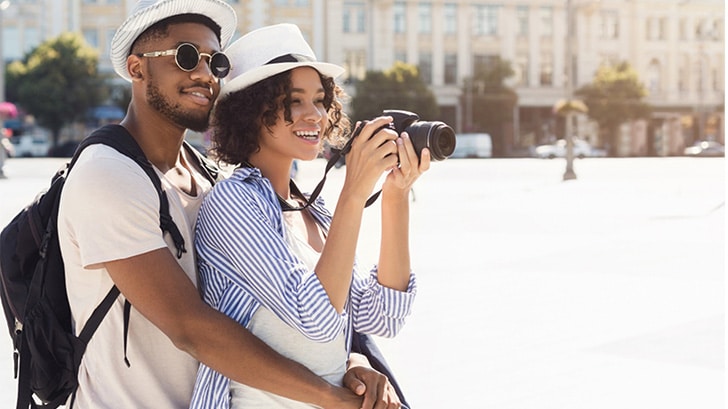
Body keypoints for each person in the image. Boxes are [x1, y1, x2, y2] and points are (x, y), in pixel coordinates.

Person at [57, 1, 397, 408]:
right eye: (185, 57)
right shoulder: (109, 174)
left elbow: (273, 313)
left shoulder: (206, 176)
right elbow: (191, 328)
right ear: (137, 68)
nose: (203, 74)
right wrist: (332, 397)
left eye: (215, 62)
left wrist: (349, 359)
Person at [191, 23, 430, 408]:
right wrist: (353, 191)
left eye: (320, 100)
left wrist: (395, 195)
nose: (314, 115)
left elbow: (382, 316)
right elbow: (316, 318)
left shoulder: (309, 208)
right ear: (251, 112)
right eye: (293, 101)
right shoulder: (233, 201)